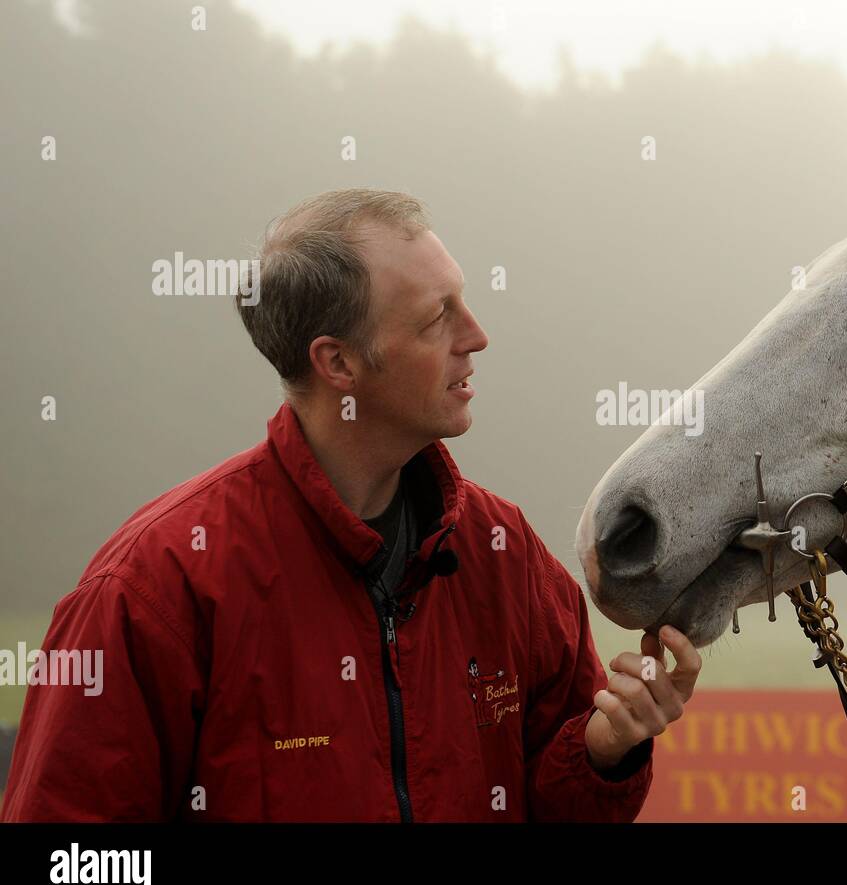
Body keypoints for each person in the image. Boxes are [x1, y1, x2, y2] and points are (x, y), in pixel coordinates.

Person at [1, 189, 699, 822]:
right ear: (338, 364)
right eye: (436, 318)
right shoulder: (156, 585)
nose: (477, 335)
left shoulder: (505, 553)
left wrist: (606, 749)